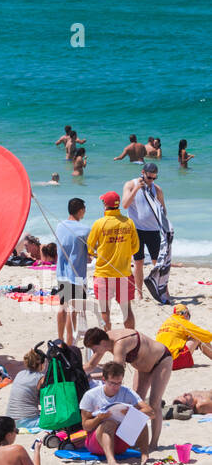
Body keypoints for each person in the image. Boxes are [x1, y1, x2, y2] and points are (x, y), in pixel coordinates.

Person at [84, 327, 170, 450]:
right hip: (142, 367)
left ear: (102, 343)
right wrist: (76, 374)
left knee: (154, 403)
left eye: (94, 349)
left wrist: (91, 376)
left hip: (161, 361)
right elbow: (91, 365)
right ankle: (134, 441)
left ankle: (154, 444)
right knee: (134, 404)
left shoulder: (119, 344)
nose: (94, 352)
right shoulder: (104, 340)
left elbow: (116, 372)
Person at [78, 359, 152, 465]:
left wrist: (132, 413)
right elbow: (85, 426)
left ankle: (144, 454)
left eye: (119, 383)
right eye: (112, 383)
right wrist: (99, 418)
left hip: (120, 441)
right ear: (104, 379)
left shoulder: (126, 391)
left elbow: (150, 412)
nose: (116, 387)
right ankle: (111, 460)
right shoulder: (91, 395)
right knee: (109, 423)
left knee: (139, 419)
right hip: (96, 442)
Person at [86, 190, 138, 329]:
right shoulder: (129, 223)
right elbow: (135, 248)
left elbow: (90, 249)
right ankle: (130, 338)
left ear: (105, 205)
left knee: (105, 310)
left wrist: (98, 254)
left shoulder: (99, 223)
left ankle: (108, 338)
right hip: (124, 273)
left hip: (104, 273)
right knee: (126, 310)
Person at [122, 164, 167, 301]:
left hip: (153, 230)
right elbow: (124, 204)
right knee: (139, 262)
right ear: (142, 172)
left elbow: (163, 209)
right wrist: (136, 189)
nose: (151, 180)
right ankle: (139, 292)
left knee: (157, 263)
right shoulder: (130, 184)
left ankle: (163, 290)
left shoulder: (157, 189)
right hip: (136, 229)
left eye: (154, 178)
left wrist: (165, 227)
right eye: (149, 177)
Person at [55, 197, 90, 344]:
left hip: (61, 272)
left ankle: (60, 339)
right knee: (73, 310)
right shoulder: (85, 229)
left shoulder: (59, 226)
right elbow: (90, 254)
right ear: (80, 210)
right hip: (76, 274)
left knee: (62, 307)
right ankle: (69, 343)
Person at [5, 348, 46, 428]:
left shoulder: (20, 374)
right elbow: (44, 401)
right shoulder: (40, 378)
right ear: (41, 364)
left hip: (11, 421)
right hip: (27, 421)